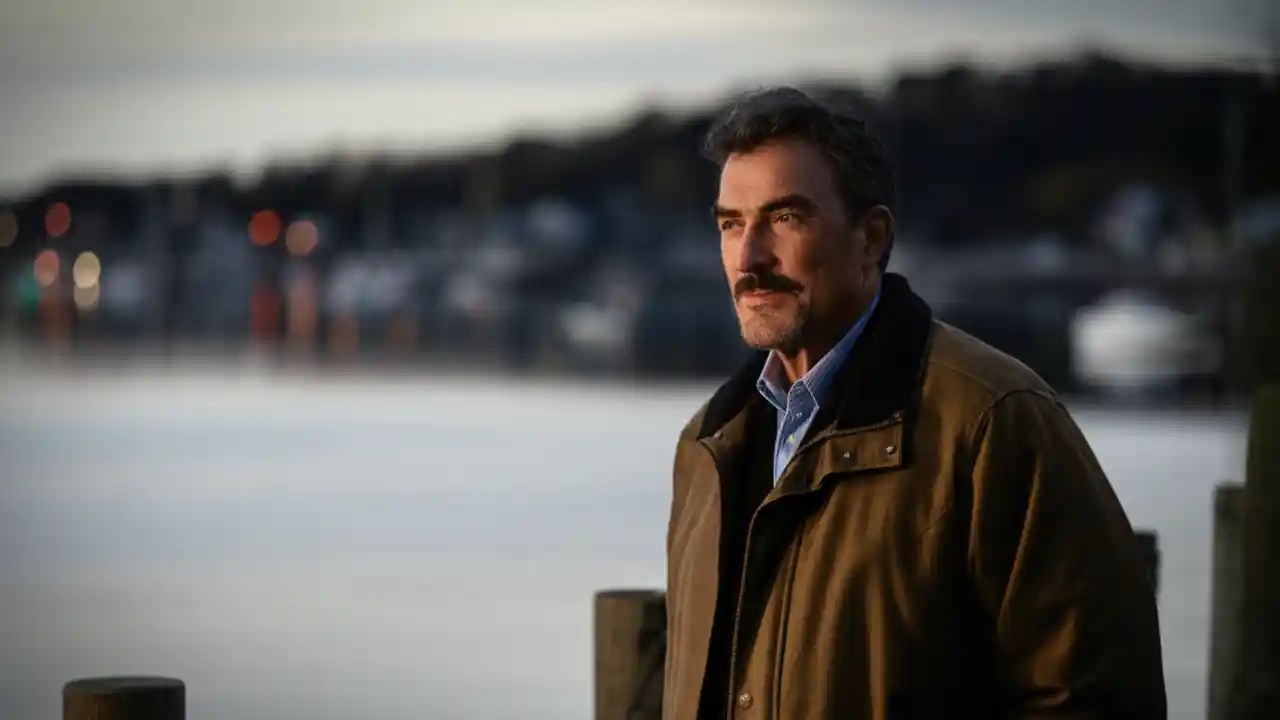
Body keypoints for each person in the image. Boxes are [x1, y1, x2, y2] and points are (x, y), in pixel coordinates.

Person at [663, 87, 1166, 719]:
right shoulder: (708, 443)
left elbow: (1094, 698)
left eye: (785, 218)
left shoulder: (994, 421)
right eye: (731, 223)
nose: (749, 256)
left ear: (870, 237)